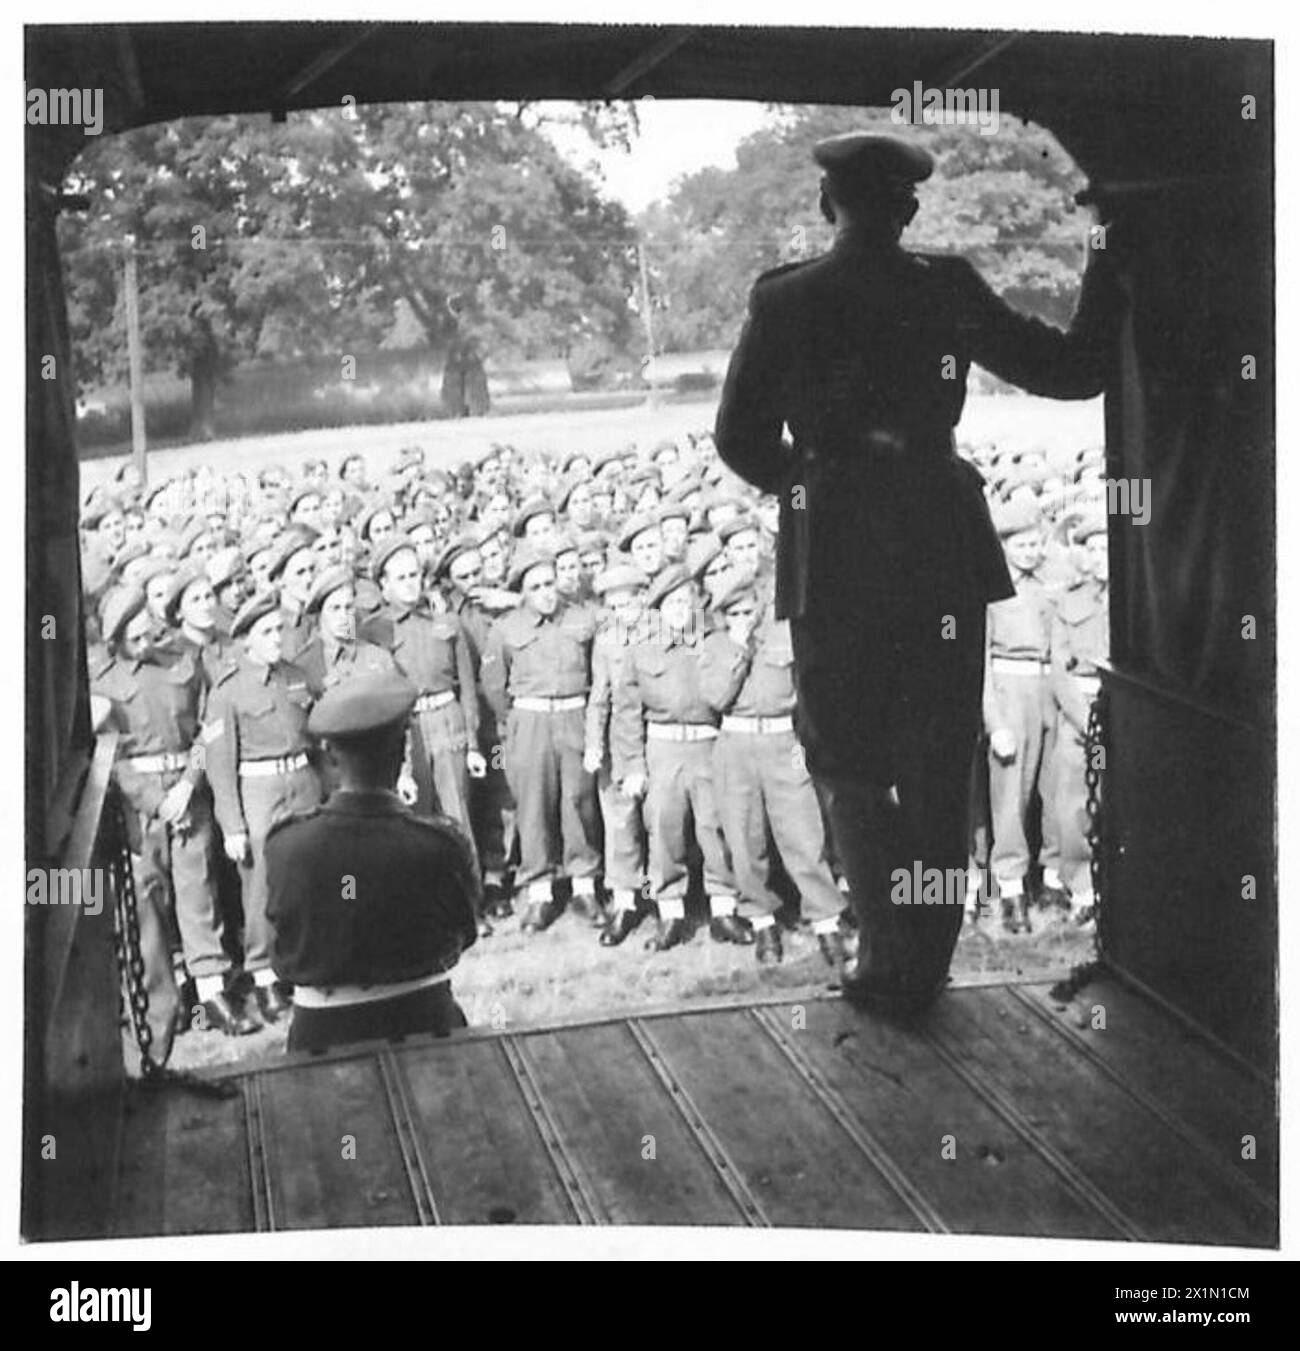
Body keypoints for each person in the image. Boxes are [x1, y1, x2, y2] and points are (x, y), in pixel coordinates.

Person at [715, 131, 1121, 1014]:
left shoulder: (785, 301)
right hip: (939, 543)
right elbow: (1071, 369)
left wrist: (812, 482)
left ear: (829, 206)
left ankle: (887, 950)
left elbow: (739, 439)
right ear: (908, 208)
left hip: (836, 554)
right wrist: (1106, 246)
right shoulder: (946, 289)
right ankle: (923, 962)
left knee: (844, 753)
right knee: (939, 753)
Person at [266, 672, 480, 1054]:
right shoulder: (438, 845)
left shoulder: (286, 847)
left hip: (322, 1034)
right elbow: (463, 933)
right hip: (426, 1023)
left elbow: (280, 944)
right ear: (403, 751)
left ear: (330, 756)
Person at [94, 588, 255, 1043]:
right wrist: (155, 801)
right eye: (136, 636)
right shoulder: (102, 682)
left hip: (189, 793)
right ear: (117, 639)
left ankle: (212, 993)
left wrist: (187, 784)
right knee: (148, 905)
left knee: (198, 893)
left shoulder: (182, 666)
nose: (147, 642)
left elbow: (209, 732)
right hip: (140, 808)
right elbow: (110, 756)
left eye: (149, 630)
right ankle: (161, 1009)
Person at [700, 576, 847, 967]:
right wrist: (738, 647)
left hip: (784, 740)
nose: (743, 619)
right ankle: (761, 919)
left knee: (803, 832)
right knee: (745, 838)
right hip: (736, 744)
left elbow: (809, 689)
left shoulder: (784, 635)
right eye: (733, 614)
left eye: (749, 611)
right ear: (721, 615)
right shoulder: (715, 646)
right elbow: (716, 696)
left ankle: (826, 921)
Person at [201, 590, 323, 1023]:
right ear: (247, 639)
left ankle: (307, 966)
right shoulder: (228, 691)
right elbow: (219, 766)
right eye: (267, 632)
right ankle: (265, 976)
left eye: (280, 629)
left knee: (311, 877)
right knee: (261, 887)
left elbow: (318, 733)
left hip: (304, 781)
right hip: (259, 789)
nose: (277, 638)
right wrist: (232, 825)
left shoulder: (295, 675)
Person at [613, 565, 744, 952]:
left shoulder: (713, 643)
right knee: (663, 830)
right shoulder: (640, 650)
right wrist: (634, 766)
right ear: (657, 608)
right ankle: (670, 913)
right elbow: (626, 714)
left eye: (685, 601)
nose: (679, 609)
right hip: (663, 749)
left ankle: (723, 909)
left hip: (708, 745)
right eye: (671, 603)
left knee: (715, 827)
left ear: (695, 604)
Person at [481, 545, 602, 931]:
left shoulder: (582, 618)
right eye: (537, 586)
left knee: (578, 800)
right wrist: (515, 723)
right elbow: (494, 687)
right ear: (523, 591)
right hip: (529, 721)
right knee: (532, 804)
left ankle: (584, 886)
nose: (547, 592)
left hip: (573, 716)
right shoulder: (505, 628)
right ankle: (540, 892)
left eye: (551, 583)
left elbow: (598, 670)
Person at [1050, 508, 1109, 925]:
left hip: (1126, 714)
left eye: (1111, 546)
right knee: (1074, 805)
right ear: (1084, 555)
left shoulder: (1142, 601)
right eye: (1096, 548)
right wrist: (1080, 716)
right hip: (1080, 716)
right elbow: (1058, 667)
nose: (1105, 556)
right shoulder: (1068, 601)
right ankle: (1083, 890)